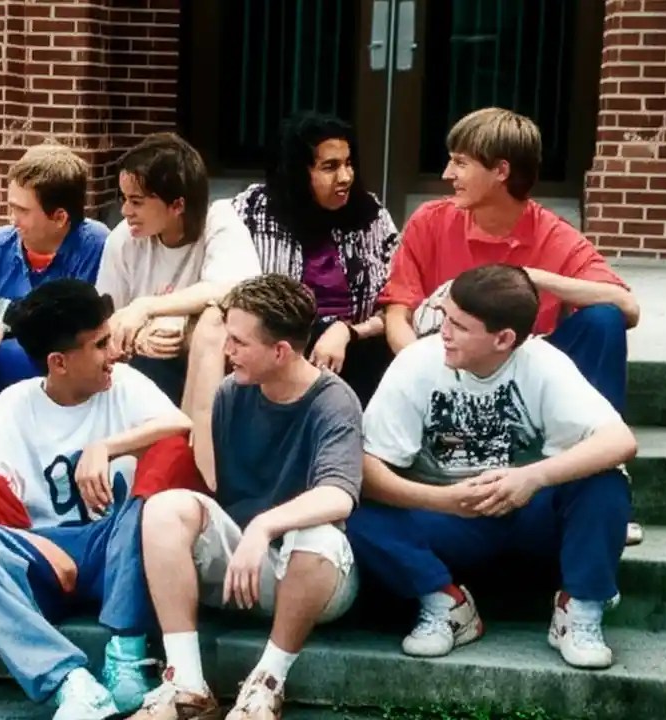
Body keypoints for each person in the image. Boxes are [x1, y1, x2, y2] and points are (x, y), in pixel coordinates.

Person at [346, 264, 637, 670]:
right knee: (353, 511)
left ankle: (580, 610)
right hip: (451, 521)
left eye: (460, 326)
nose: (443, 332)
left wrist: (533, 476)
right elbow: (366, 467)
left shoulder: (543, 363)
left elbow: (620, 441)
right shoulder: (417, 362)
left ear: (504, 339)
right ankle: (446, 604)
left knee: (604, 482)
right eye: (445, 317)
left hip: (531, 514)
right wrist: (442, 500)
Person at [0, 279, 194, 720]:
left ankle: (129, 655)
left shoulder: (124, 383)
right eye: (100, 345)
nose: (115, 352)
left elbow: (180, 426)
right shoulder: (12, 406)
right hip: (44, 556)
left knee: (156, 489)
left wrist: (106, 447)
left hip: (117, 546)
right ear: (58, 362)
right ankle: (70, 682)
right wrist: (42, 547)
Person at [131, 274, 363, 720]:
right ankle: (185, 688)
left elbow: (338, 495)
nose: (226, 350)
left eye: (238, 342)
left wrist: (264, 526)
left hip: (316, 575)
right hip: (246, 568)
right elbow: (217, 484)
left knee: (316, 529)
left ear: (280, 351)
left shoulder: (333, 401)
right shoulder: (231, 393)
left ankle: (266, 686)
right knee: (165, 507)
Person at [378, 107, 639, 412]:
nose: (447, 175)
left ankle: (599, 448)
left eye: (460, 163)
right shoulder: (429, 221)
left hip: (525, 375)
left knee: (603, 319)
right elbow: (398, 315)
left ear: (501, 172)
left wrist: (529, 276)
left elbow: (628, 308)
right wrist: (427, 371)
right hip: (445, 368)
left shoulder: (554, 234)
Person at [97, 132, 261, 489]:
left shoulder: (220, 221)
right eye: (124, 199)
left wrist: (147, 308)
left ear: (177, 205)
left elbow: (230, 291)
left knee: (214, 321)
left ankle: (196, 467)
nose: (125, 212)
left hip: (217, 366)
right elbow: (107, 319)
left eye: (137, 202)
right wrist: (138, 336)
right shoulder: (123, 240)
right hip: (143, 366)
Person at [234, 111, 399, 405]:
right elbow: (230, 290)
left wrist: (347, 331)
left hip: (356, 349)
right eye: (330, 167)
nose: (346, 177)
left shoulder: (370, 215)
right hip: (276, 348)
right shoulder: (252, 211)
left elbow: (396, 303)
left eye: (349, 164)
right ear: (297, 171)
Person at [0, 143, 109, 414]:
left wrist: (3, 324)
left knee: (11, 356)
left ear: (60, 217)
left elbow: (77, 322)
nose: (12, 219)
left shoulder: (97, 245)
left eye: (22, 211)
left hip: (64, 366)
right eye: (11, 207)